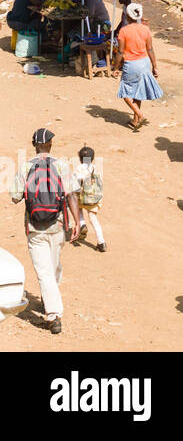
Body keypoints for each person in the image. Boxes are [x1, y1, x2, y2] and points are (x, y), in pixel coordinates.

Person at [9, 128, 81, 334]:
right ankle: (53, 309)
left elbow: (14, 197)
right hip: (58, 226)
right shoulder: (61, 166)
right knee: (53, 267)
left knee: (45, 271)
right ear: (50, 145)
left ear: (34, 145)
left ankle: (53, 311)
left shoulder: (26, 167)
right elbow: (72, 196)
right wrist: (77, 222)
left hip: (34, 228)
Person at [115, 2, 162, 131]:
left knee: (125, 92)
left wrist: (115, 68)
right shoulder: (145, 29)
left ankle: (140, 115)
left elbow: (120, 52)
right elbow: (150, 49)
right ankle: (135, 121)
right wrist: (155, 66)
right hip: (145, 62)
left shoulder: (124, 31)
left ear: (127, 16)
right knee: (138, 92)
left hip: (132, 64)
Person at [72, 145, 106, 253]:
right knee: (94, 219)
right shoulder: (95, 168)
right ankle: (101, 242)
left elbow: (76, 182)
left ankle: (82, 224)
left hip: (83, 197)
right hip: (94, 199)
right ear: (93, 158)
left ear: (80, 159)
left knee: (78, 209)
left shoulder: (79, 168)